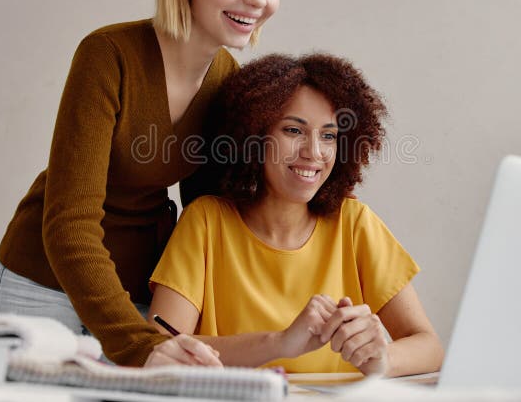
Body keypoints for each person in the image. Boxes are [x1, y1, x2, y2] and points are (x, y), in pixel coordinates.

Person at [0, 0, 289, 367]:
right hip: (45, 282)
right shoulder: (108, 54)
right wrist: (137, 344)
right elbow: (69, 224)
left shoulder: (228, 81)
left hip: (138, 289)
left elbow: (207, 214)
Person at [149, 54, 445, 376]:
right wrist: (279, 343)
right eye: (293, 130)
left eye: (328, 136)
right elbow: (160, 347)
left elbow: (430, 347)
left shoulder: (354, 223)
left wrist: (382, 359)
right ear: (254, 136)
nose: (314, 152)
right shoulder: (206, 222)